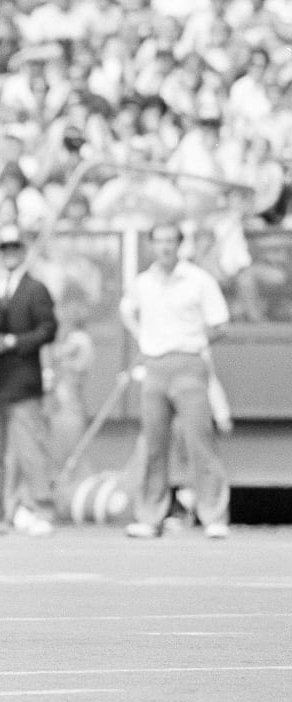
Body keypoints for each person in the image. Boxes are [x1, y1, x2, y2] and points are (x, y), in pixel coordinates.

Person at [120, 223, 232, 540]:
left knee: (200, 442)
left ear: (179, 245)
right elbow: (126, 310)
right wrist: (144, 339)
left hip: (189, 363)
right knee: (154, 444)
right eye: (159, 241)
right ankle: (149, 515)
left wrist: (192, 340)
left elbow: (220, 323)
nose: (165, 247)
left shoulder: (198, 280)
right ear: (151, 246)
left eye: (171, 241)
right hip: (155, 365)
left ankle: (213, 515)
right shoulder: (142, 283)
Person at [0, 229, 58, 535]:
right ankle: (4, 508)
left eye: (15, 248)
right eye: (5, 248)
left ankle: (43, 508)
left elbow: (48, 329)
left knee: (29, 449)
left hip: (23, 378)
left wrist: (13, 342)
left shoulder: (35, 289)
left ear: (23, 251)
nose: (9, 253)